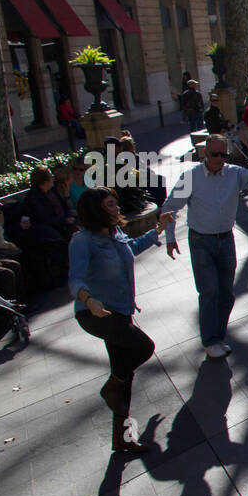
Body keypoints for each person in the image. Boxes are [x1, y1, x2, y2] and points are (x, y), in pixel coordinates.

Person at [69, 187, 174, 454]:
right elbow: (75, 279)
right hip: (95, 314)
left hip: (120, 310)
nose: (117, 209)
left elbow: (133, 247)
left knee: (125, 373)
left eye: (116, 204)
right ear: (96, 211)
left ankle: (122, 437)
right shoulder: (83, 241)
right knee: (142, 348)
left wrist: (157, 230)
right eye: (110, 205)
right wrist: (89, 300)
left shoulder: (115, 234)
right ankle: (109, 389)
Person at [162, 135, 248, 358]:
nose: (219, 159)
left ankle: (217, 337)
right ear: (205, 154)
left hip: (226, 239)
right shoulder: (190, 177)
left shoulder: (234, 174)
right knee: (209, 291)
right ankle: (210, 341)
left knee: (226, 294)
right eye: (214, 154)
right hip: (201, 241)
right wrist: (170, 237)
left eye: (223, 154)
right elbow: (169, 208)